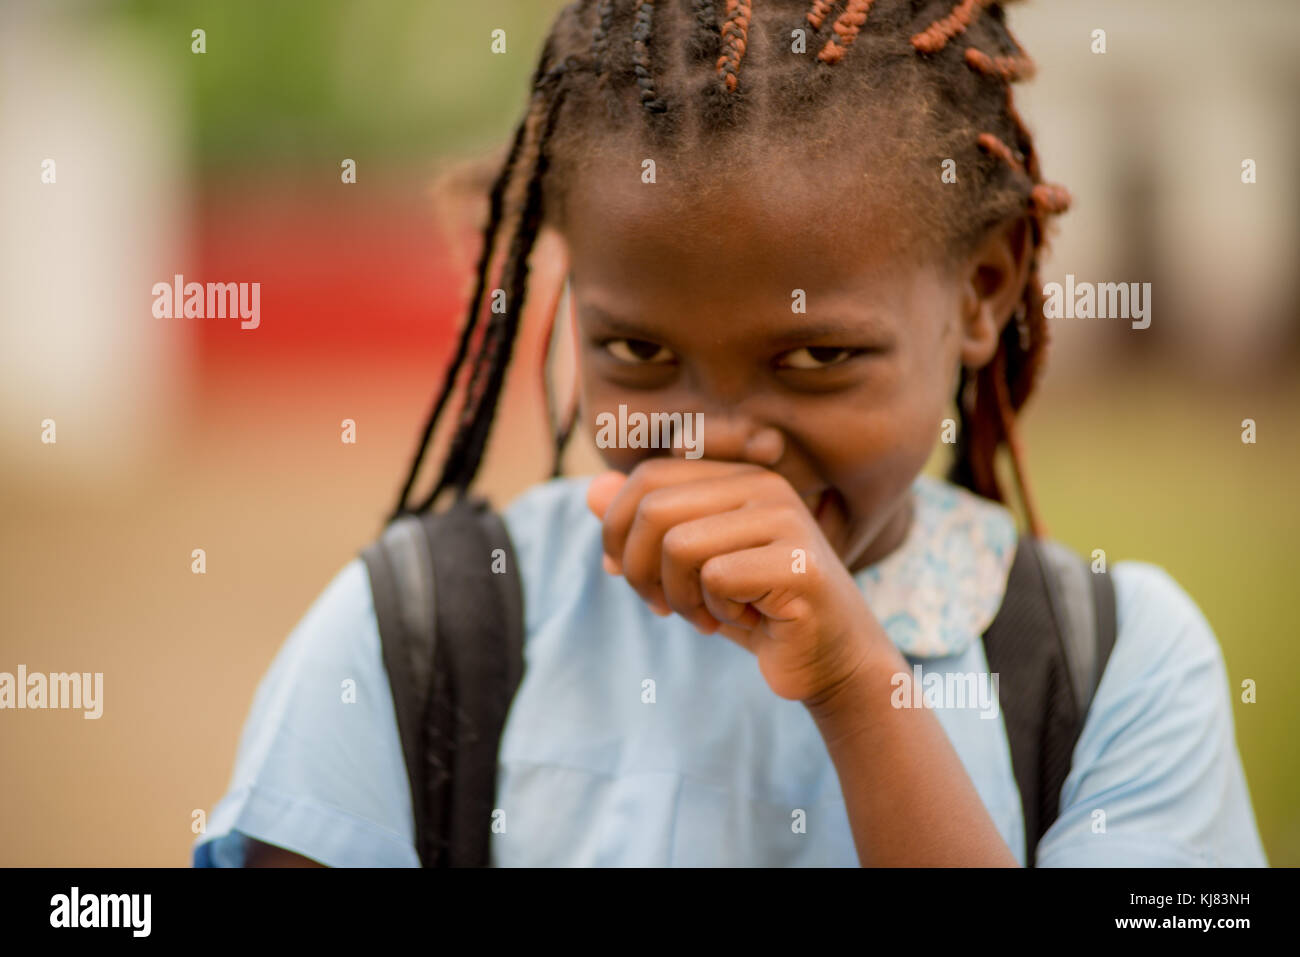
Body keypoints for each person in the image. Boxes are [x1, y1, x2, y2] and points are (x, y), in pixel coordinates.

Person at [194, 0, 1267, 867]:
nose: (716, 444)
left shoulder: (1118, 669)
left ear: (982, 293)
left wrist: (856, 686)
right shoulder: (419, 634)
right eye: (638, 354)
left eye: (814, 359)